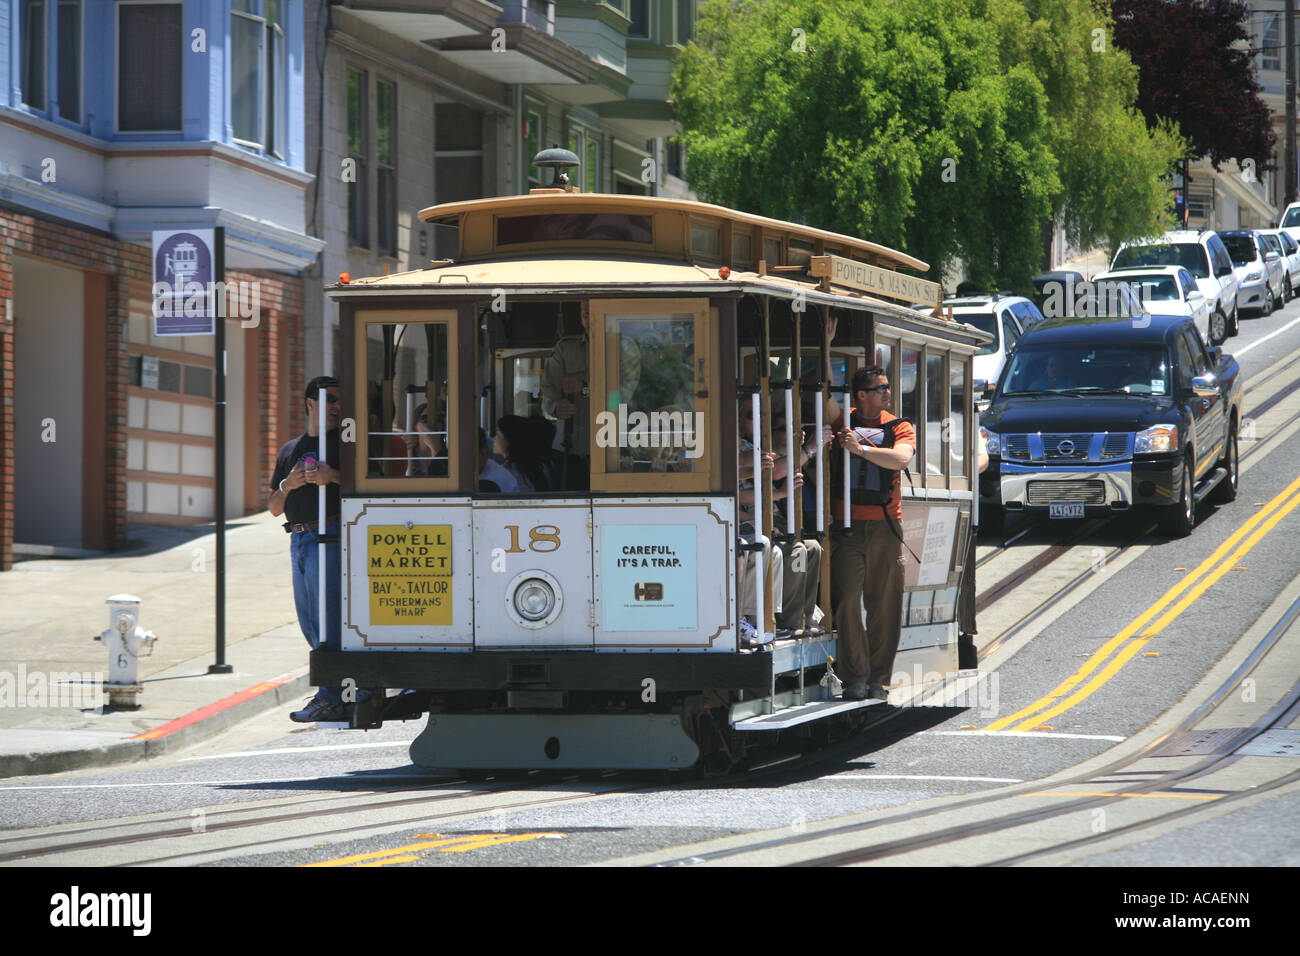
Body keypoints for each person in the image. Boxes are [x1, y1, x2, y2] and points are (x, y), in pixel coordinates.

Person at [830, 366, 916, 701]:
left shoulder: (899, 426)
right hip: (847, 527)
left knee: (884, 604)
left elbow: (901, 459)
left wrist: (860, 450)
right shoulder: (844, 420)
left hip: (885, 525)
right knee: (848, 599)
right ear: (861, 395)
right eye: (880, 388)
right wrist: (826, 344)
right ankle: (855, 677)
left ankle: (879, 679)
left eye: (888, 387)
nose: (888, 392)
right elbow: (824, 400)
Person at [270, 376, 350, 723]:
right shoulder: (290, 449)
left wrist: (331, 475)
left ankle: (334, 695)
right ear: (310, 403)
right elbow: (273, 506)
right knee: (310, 623)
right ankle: (332, 693)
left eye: (340, 401)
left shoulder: (346, 443)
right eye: (331, 399)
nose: (337, 407)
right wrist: (289, 484)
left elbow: (371, 484)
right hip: (298, 538)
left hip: (330, 534)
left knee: (328, 620)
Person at [770, 407, 829, 636]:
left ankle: (804, 617)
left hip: (779, 524)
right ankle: (787, 622)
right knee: (796, 550)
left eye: (793, 430)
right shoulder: (755, 450)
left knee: (813, 547)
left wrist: (803, 448)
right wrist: (809, 448)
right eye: (784, 429)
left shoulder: (785, 453)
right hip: (755, 524)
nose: (789, 434)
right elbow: (776, 472)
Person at [541, 312, 589, 490]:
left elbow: (623, 396)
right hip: (568, 450)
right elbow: (548, 393)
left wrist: (585, 389)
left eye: (592, 312)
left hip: (611, 451)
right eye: (584, 313)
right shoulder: (566, 348)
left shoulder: (624, 347)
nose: (588, 317)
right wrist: (555, 408)